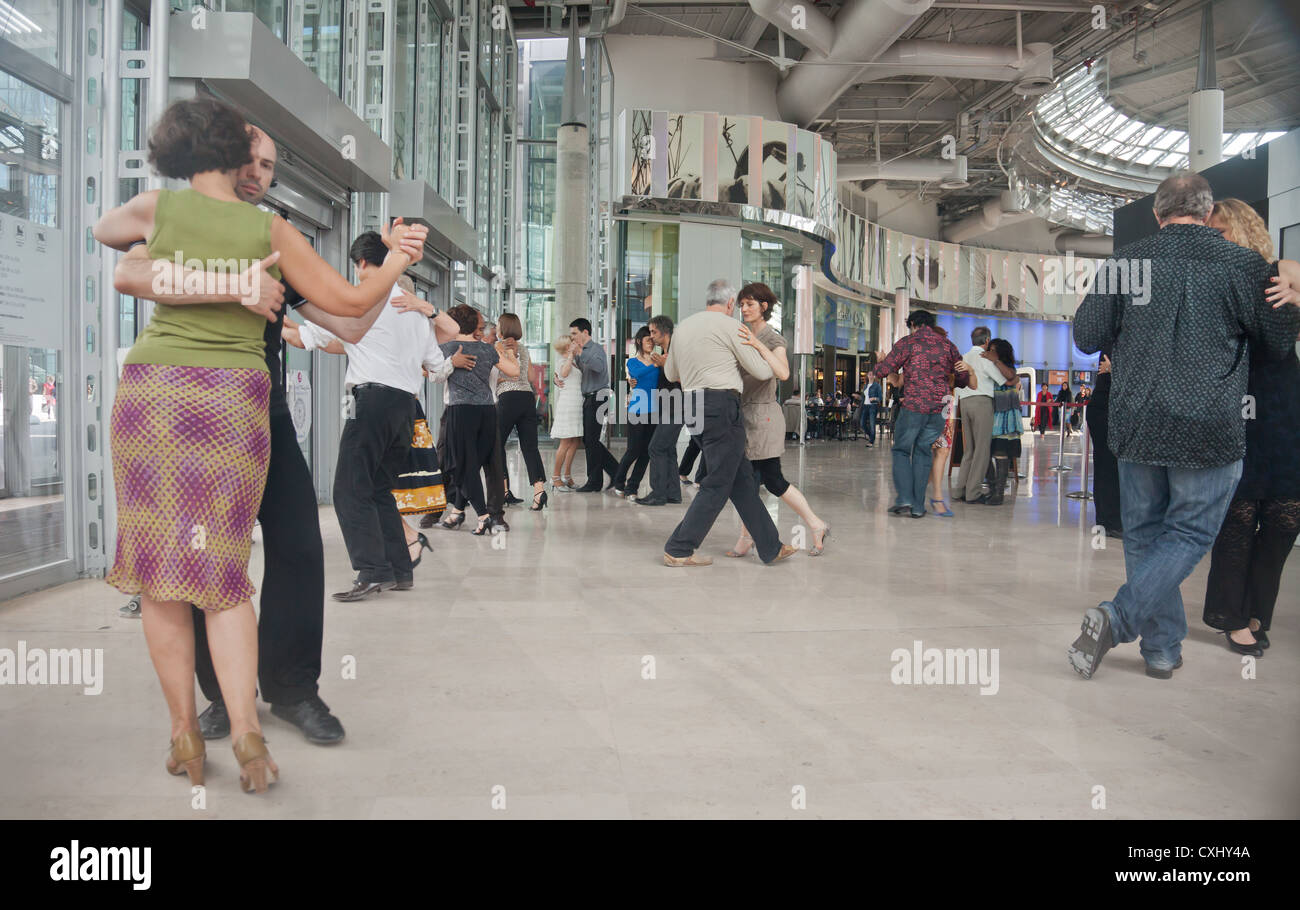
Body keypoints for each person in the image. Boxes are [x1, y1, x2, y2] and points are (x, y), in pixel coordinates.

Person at [93, 98, 423, 793]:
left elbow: (114, 251)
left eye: (270, 166)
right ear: (237, 161)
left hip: (189, 396)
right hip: (232, 403)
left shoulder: (182, 215)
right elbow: (353, 303)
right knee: (219, 573)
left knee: (216, 562)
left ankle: (243, 707)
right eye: (258, 161)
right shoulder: (263, 233)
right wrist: (389, 266)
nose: (262, 173)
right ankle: (236, 721)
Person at [1068, 171, 1300, 681]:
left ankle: (1155, 643)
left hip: (1137, 419)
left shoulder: (1128, 261)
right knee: (1190, 533)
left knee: (1146, 536)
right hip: (1211, 424)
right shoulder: (1243, 265)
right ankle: (1138, 631)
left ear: (1157, 213)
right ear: (1207, 210)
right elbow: (1279, 343)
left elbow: (1087, 336)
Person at [292, 232, 456, 602]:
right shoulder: (413, 309)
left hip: (371, 403)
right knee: (379, 488)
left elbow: (308, 335)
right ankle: (398, 570)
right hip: (405, 407)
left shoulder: (362, 301)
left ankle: (371, 570)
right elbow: (437, 365)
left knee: (349, 489)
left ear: (362, 263)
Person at [1201, 198, 1300, 657]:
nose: (1215, 238)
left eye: (1222, 231)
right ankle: (1231, 616)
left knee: (1284, 517)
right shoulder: (1208, 281)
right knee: (1239, 515)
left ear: (1245, 229)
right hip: (1235, 402)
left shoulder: (1283, 268)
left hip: (1284, 401)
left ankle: (1259, 608)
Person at [661, 278, 798, 567]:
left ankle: (770, 546)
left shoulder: (683, 327)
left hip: (692, 405)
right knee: (717, 483)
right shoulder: (731, 327)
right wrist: (759, 349)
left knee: (741, 481)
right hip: (721, 407)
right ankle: (679, 548)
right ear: (731, 303)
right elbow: (762, 372)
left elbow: (672, 373)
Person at [728, 282, 831, 555]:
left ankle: (812, 524)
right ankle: (753, 535)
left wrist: (757, 346)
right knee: (753, 481)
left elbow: (783, 373)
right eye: (742, 305)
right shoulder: (746, 334)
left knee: (769, 480)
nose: (745, 309)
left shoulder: (772, 339)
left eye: (750, 304)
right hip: (747, 415)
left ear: (764, 306)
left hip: (764, 417)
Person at [872, 310, 971, 518]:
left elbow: (883, 371)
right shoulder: (948, 345)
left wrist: (880, 361)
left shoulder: (908, 342)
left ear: (913, 324)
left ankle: (905, 498)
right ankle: (918, 507)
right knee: (923, 452)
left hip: (915, 406)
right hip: (939, 410)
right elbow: (961, 379)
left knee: (901, 450)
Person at [437, 305, 520, 534]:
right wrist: (510, 353)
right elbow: (513, 371)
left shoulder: (447, 348)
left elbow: (432, 374)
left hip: (460, 411)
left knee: (463, 467)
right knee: (479, 464)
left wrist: (450, 363)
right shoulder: (489, 350)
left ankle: (483, 516)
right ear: (474, 325)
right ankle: (462, 512)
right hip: (487, 411)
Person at [495, 313, 548, 511]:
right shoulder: (524, 348)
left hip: (508, 398)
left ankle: (504, 491)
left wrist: (500, 380)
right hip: (527, 398)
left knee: (496, 443)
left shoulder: (498, 347)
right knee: (530, 447)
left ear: (503, 328)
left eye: (499, 325)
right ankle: (539, 491)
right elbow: (532, 377)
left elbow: (498, 374)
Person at [955, 326, 1013, 504]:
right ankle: (973, 493)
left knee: (969, 450)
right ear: (987, 341)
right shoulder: (984, 358)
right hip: (982, 403)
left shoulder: (963, 357)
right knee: (982, 450)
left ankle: (960, 490)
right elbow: (1003, 380)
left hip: (964, 403)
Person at [636, 314, 685, 506]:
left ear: (665, 331)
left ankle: (658, 493)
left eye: (654, 332)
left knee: (655, 447)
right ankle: (673, 493)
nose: (651, 336)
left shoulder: (677, 352)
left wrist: (666, 365)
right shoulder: (665, 353)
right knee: (668, 449)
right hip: (667, 406)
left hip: (677, 406)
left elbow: (687, 378)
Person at [570, 318, 620, 492]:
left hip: (599, 396)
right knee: (589, 440)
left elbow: (598, 367)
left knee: (591, 440)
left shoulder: (595, 349)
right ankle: (614, 472)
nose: (572, 337)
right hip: (590, 397)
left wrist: (580, 353)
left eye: (574, 333)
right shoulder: (581, 351)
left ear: (585, 333)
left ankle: (595, 481)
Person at [612, 326, 660, 497]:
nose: (651, 343)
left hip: (654, 411)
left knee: (647, 452)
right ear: (640, 341)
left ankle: (632, 487)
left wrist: (658, 363)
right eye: (648, 340)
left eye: (653, 340)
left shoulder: (659, 361)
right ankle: (619, 482)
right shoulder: (633, 361)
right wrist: (655, 364)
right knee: (633, 449)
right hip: (637, 410)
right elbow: (637, 374)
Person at [984, 339, 1022, 506]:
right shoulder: (989, 367)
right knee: (984, 454)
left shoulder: (1008, 369)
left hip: (1006, 417)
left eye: (994, 350)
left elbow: (1010, 377)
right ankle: (993, 488)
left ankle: (998, 493)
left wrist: (995, 361)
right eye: (989, 350)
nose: (990, 353)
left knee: (1001, 453)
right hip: (991, 414)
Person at [1088, 353, 1122, 538]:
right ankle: (1110, 522)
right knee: (1109, 468)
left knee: (1105, 467)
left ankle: (1106, 520)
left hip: (1104, 409)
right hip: (1105, 410)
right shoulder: (1119, 344)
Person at [550, 336, 583, 491]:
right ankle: (555, 477)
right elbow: (563, 374)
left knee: (575, 441)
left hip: (577, 403)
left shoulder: (575, 361)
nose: (576, 343)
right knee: (565, 442)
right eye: (572, 342)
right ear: (567, 346)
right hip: (568, 404)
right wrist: (570, 355)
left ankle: (567, 475)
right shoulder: (562, 361)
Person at [864, 377, 882, 446]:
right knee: (862, 423)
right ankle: (871, 435)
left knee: (872, 423)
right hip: (865, 406)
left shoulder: (877, 386)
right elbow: (864, 397)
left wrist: (874, 398)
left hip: (873, 406)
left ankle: (871, 441)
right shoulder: (866, 385)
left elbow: (880, 398)